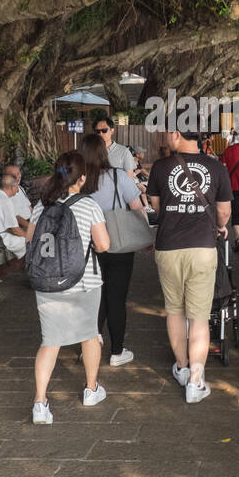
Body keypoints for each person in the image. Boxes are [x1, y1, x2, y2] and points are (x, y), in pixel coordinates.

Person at [146, 130, 233, 404]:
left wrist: (174, 215)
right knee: (198, 316)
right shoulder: (216, 167)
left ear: (176, 134)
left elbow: (156, 205)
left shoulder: (161, 167)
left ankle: (182, 368)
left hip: (168, 246)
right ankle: (196, 382)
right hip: (203, 247)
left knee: (174, 310)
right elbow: (224, 211)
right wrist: (220, 226)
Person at [23, 152, 110, 425]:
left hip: (47, 283)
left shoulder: (42, 204)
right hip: (84, 282)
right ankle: (91, 389)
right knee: (89, 336)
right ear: (82, 178)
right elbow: (104, 244)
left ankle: (40, 403)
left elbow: (29, 240)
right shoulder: (89, 205)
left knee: (50, 342)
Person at [80, 133, 146, 366]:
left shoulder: (79, 180)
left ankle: (90, 346)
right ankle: (117, 352)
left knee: (93, 298)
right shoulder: (118, 176)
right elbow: (137, 207)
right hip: (119, 244)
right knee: (116, 298)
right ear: (104, 153)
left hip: (88, 245)